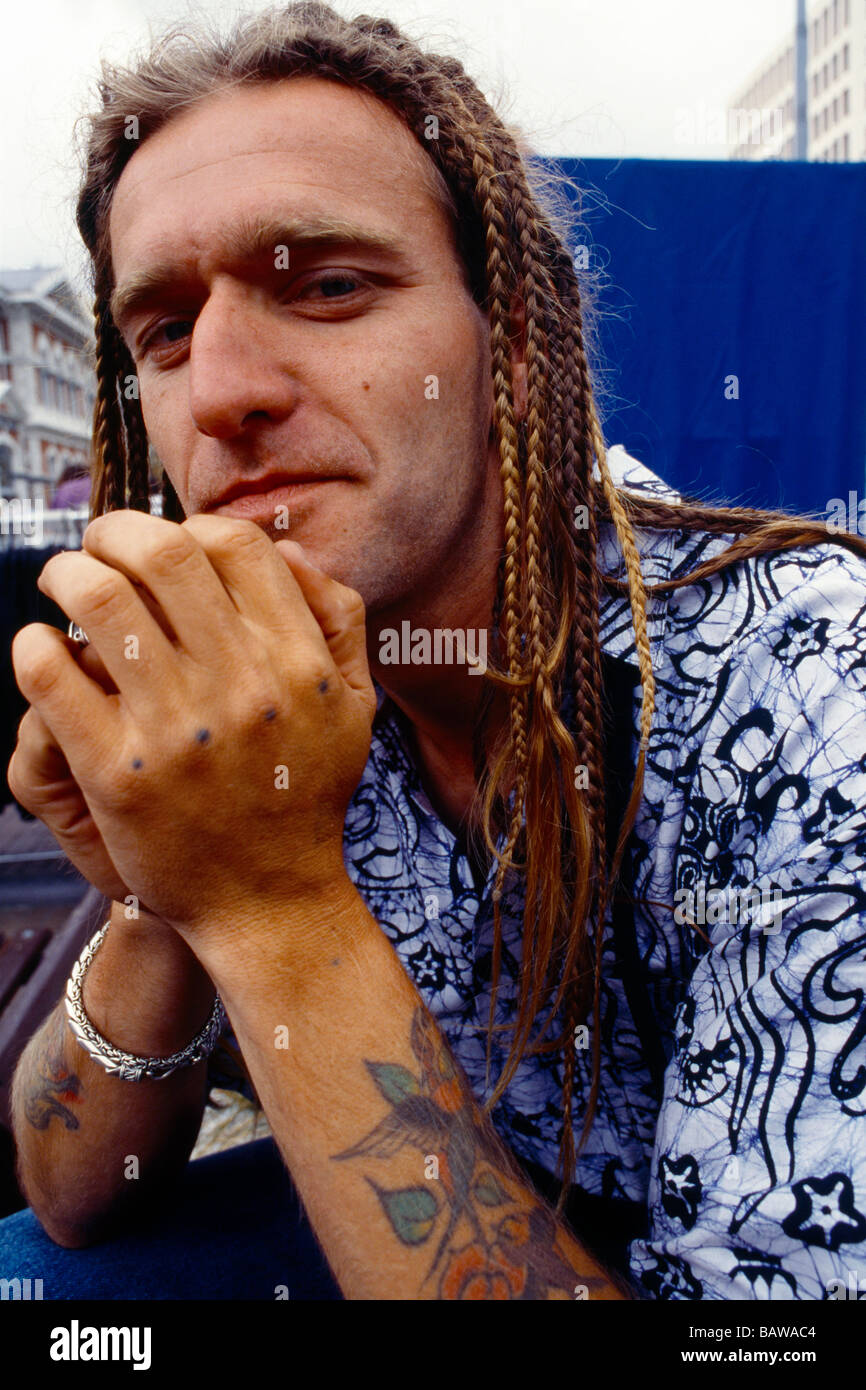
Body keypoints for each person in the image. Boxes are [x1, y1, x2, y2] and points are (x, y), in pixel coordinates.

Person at [2, 3, 866, 1302]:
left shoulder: (811, 690)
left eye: (329, 285)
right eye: (165, 331)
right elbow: (74, 1203)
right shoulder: (259, 703)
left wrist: (275, 902)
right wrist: (160, 889)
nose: (223, 387)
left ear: (513, 350)